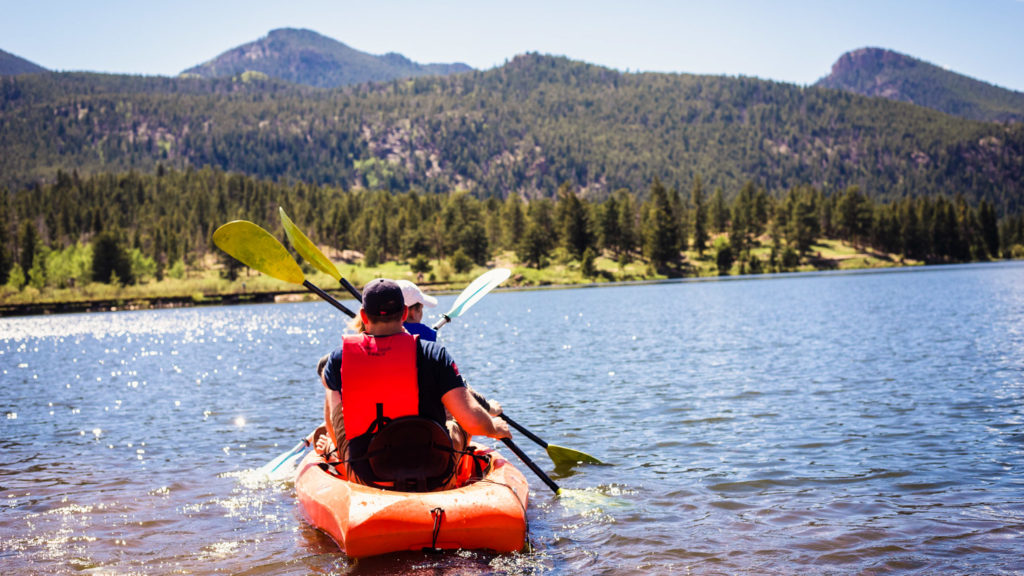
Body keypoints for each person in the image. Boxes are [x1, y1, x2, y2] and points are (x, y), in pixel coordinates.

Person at [318, 278, 509, 490]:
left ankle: (336, 452)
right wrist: (494, 428)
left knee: (331, 387)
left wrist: (339, 447)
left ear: (363, 316)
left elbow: (334, 421)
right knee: (458, 422)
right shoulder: (434, 354)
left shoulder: (340, 358)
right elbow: (472, 420)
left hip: (366, 475)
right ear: (403, 314)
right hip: (435, 472)